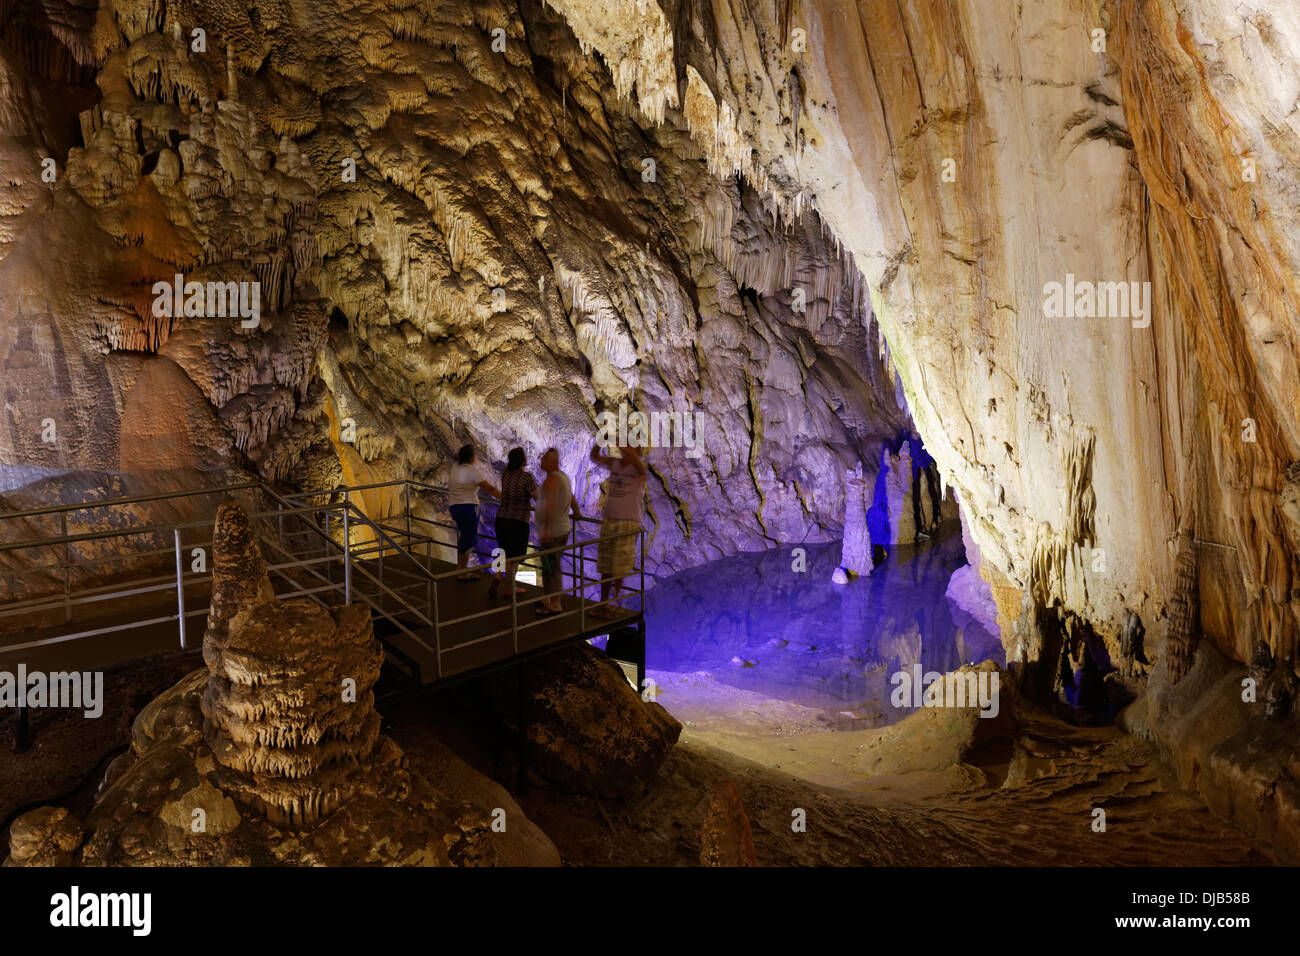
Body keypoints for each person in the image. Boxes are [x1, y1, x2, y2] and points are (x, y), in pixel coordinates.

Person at [588, 443, 647, 618]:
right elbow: (595, 457)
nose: (625, 448)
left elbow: (637, 461)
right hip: (610, 519)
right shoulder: (615, 463)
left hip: (628, 522)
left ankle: (617, 602)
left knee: (619, 566)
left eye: (630, 447)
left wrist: (622, 444)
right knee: (606, 563)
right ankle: (604, 603)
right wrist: (599, 442)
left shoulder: (639, 468)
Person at [534, 447, 582, 615]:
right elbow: (571, 498)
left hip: (553, 533)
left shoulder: (553, 479)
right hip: (562, 529)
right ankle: (548, 598)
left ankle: (555, 603)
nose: (541, 461)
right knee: (549, 566)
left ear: (553, 462)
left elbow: (549, 504)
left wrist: (546, 530)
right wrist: (576, 512)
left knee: (552, 567)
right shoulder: (563, 478)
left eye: (545, 459)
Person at [489, 446, 536, 600]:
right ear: (523, 460)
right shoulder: (526, 477)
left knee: (504, 551)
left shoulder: (506, 474)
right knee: (514, 556)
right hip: (518, 521)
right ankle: (510, 587)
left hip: (502, 518)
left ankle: (497, 576)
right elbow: (537, 497)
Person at [448, 444, 499, 581]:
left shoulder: (455, 467)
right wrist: (505, 497)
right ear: (471, 457)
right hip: (469, 508)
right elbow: (490, 489)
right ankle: (463, 572)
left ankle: (460, 568)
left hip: (455, 508)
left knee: (464, 537)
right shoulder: (472, 471)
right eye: (475, 454)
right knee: (468, 540)